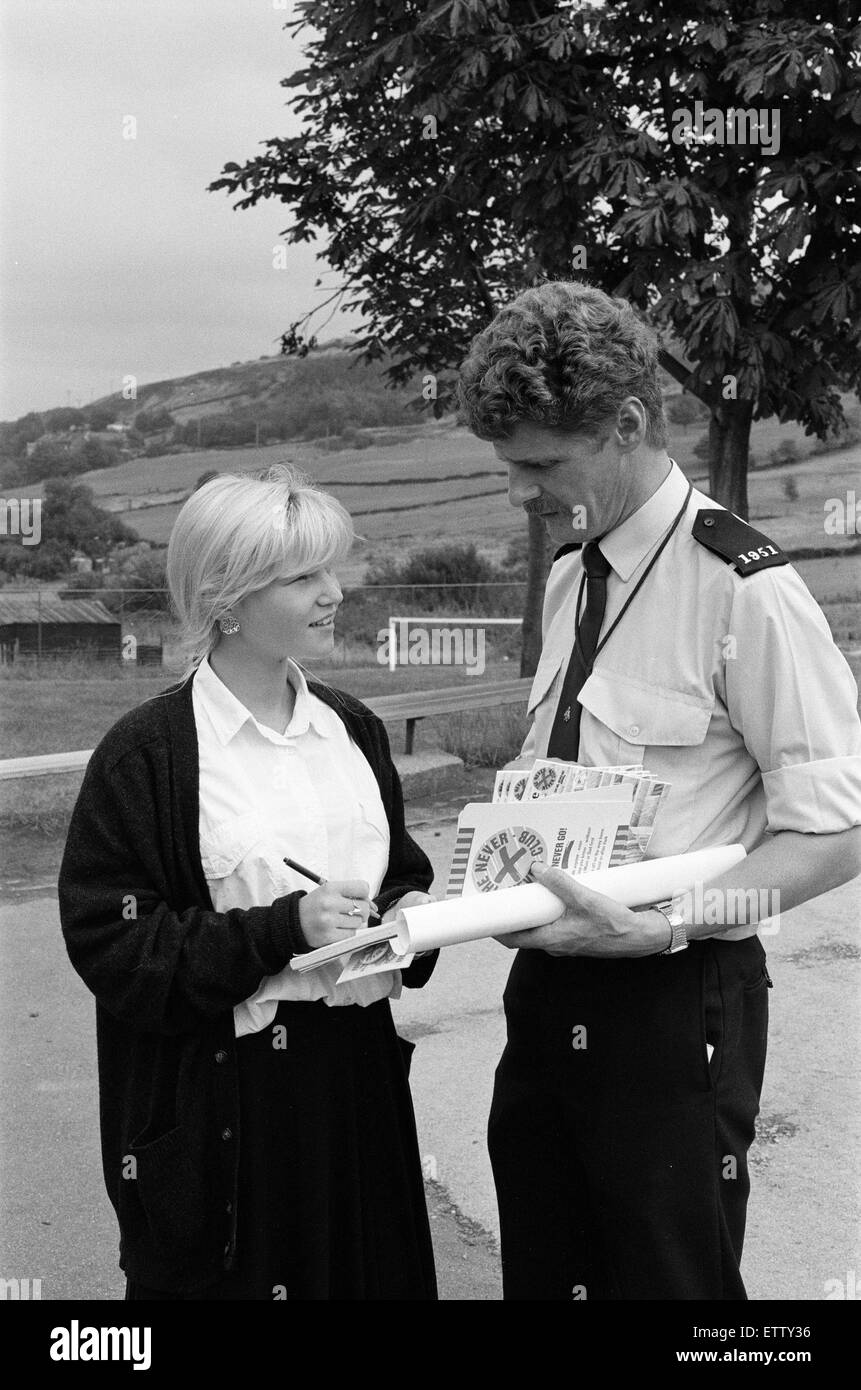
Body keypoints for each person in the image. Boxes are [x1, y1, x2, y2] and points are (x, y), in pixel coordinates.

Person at [457, 279, 861, 1301]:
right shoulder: (569, 572)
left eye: (541, 463)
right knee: (548, 1276)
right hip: (546, 989)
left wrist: (673, 925)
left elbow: (837, 833)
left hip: (676, 1000)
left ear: (630, 422)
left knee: (669, 1292)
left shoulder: (747, 588)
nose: (520, 493)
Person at [58, 464, 439, 1301]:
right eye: (302, 576)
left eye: (332, 568)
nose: (333, 592)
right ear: (225, 599)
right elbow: (113, 943)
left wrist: (413, 917)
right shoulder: (147, 752)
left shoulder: (352, 728)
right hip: (225, 1102)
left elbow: (399, 869)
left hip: (356, 1082)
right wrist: (282, 929)